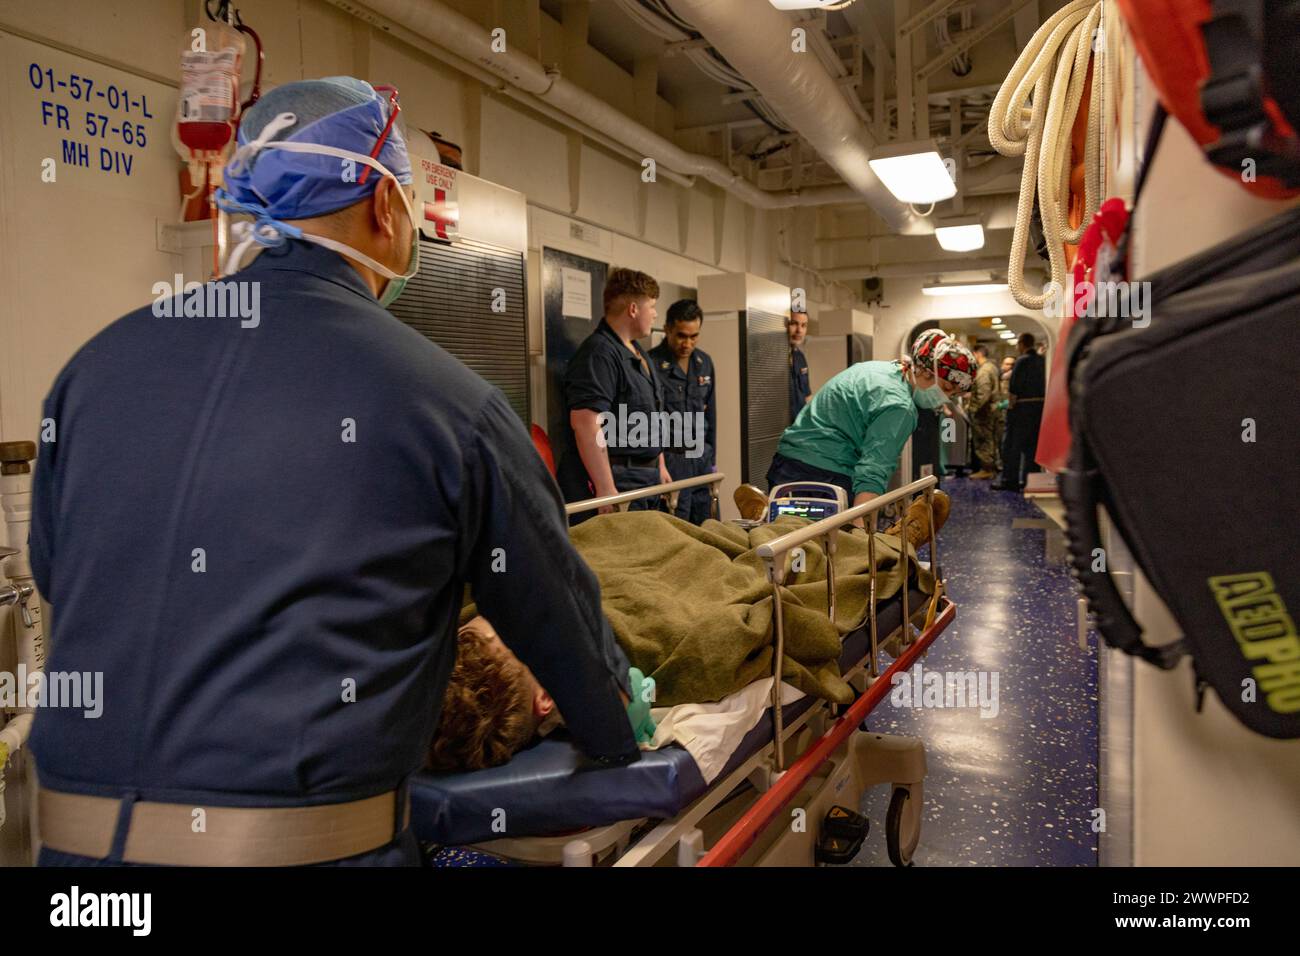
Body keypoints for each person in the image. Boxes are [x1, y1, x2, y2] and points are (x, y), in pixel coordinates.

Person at [26, 78, 638, 868]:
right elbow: (560, 628)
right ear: (386, 208)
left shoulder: (95, 371)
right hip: (306, 849)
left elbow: (56, 572)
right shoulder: (451, 405)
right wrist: (622, 735)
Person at [766, 329, 975, 526]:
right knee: (826, 552)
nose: (945, 398)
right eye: (946, 388)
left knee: (783, 540)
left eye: (953, 394)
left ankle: (763, 512)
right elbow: (873, 471)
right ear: (926, 372)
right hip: (824, 476)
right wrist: (863, 537)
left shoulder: (878, 370)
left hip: (786, 464)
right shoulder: (899, 408)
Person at [557, 268, 672, 521]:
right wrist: (606, 489)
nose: (654, 314)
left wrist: (660, 466)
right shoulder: (598, 355)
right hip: (621, 479)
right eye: (651, 306)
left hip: (646, 478)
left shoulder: (638, 353)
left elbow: (652, 415)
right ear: (633, 309)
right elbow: (586, 424)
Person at [649, 299, 717, 524]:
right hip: (672, 459)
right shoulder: (651, 363)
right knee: (678, 525)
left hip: (701, 457)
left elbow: (711, 416)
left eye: (694, 336)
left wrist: (712, 457)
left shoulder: (704, 362)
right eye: (681, 335)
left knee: (707, 523)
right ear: (667, 329)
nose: (687, 343)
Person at [993, 332, 1048, 491]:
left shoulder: (1021, 361)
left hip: (1021, 409)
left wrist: (1010, 407)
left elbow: (1014, 387)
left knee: (1012, 446)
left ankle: (1009, 480)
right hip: (1039, 409)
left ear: (1022, 344)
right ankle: (1030, 480)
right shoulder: (1042, 360)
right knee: (1032, 447)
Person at [967, 345, 1002, 479]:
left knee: (983, 440)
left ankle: (986, 469)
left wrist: (973, 409)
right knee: (990, 439)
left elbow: (983, 393)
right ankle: (991, 467)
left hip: (983, 412)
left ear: (977, 354)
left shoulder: (983, 371)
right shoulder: (992, 367)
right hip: (992, 410)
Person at [788, 311, 812, 422]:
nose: (799, 331)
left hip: (798, 427)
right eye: (794, 323)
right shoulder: (773, 358)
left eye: (803, 325)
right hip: (777, 426)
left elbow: (807, 396)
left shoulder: (800, 357)